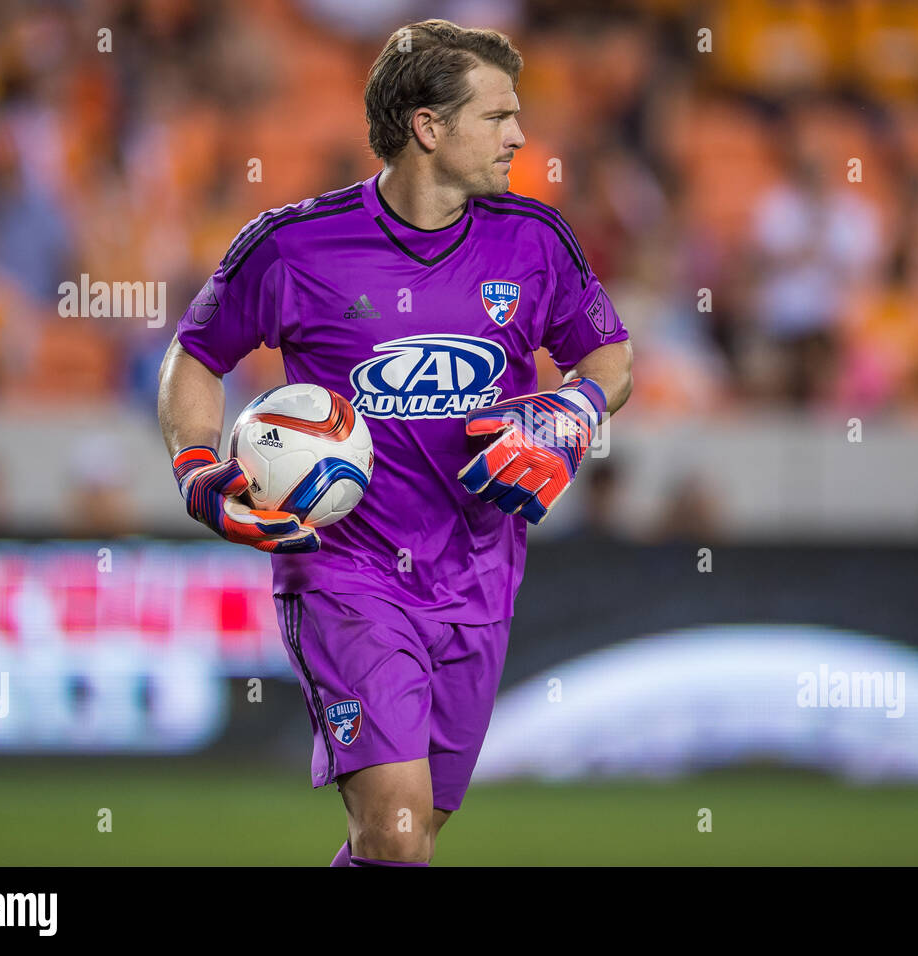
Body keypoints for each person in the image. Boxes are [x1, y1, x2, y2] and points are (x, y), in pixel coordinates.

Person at [156, 19, 632, 866]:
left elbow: (610, 353)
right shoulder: (293, 246)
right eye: (498, 116)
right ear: (428, 126)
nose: (520, 135)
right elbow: (194, 357)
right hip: (346, 571)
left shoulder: (535, 240)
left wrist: (574, 410)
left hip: (481, 572)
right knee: (398, 825)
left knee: (409, 839)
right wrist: (198, 468)